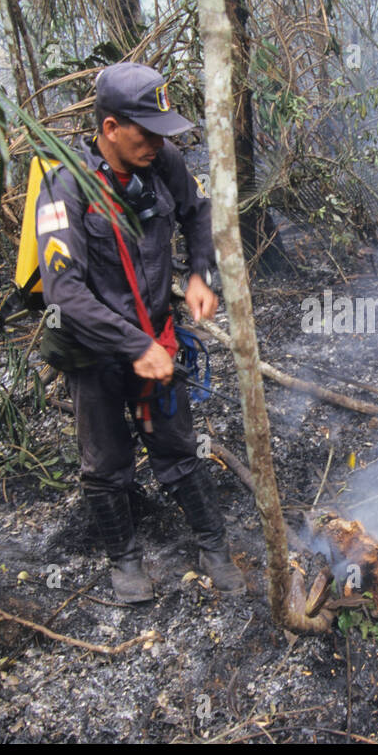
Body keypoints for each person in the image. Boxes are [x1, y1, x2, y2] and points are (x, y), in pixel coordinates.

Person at [33, 62, 245, 602]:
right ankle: (125, 562)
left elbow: (198, 212)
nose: (158, 142)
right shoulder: (66, 186)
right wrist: (134, 346)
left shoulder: (162, 162)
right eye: (146, 131)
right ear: (109, 128)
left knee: (175, 443)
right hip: (95, 348)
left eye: (162, 131)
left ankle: (213, 545)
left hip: (156, 334)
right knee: (106, 461)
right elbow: (64, 294)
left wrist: (198, 274)